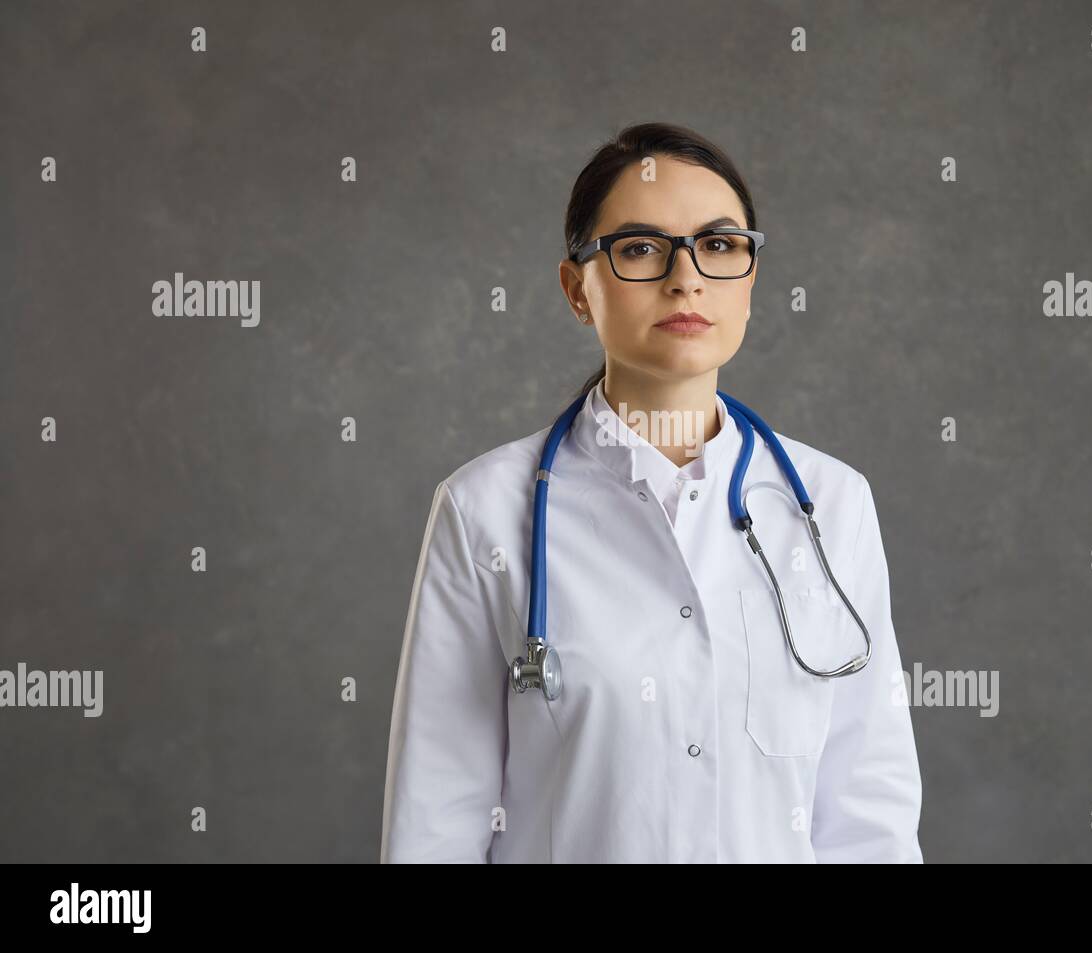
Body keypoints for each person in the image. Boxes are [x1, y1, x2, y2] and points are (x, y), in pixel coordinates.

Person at [381, 121, 922, 863]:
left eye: (720, 244)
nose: (686, 277)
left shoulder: (832, 503)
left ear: (751, 281)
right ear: (578, 289)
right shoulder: (484, 510)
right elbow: (435, 820)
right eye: (639, 248)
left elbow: (870, 814)